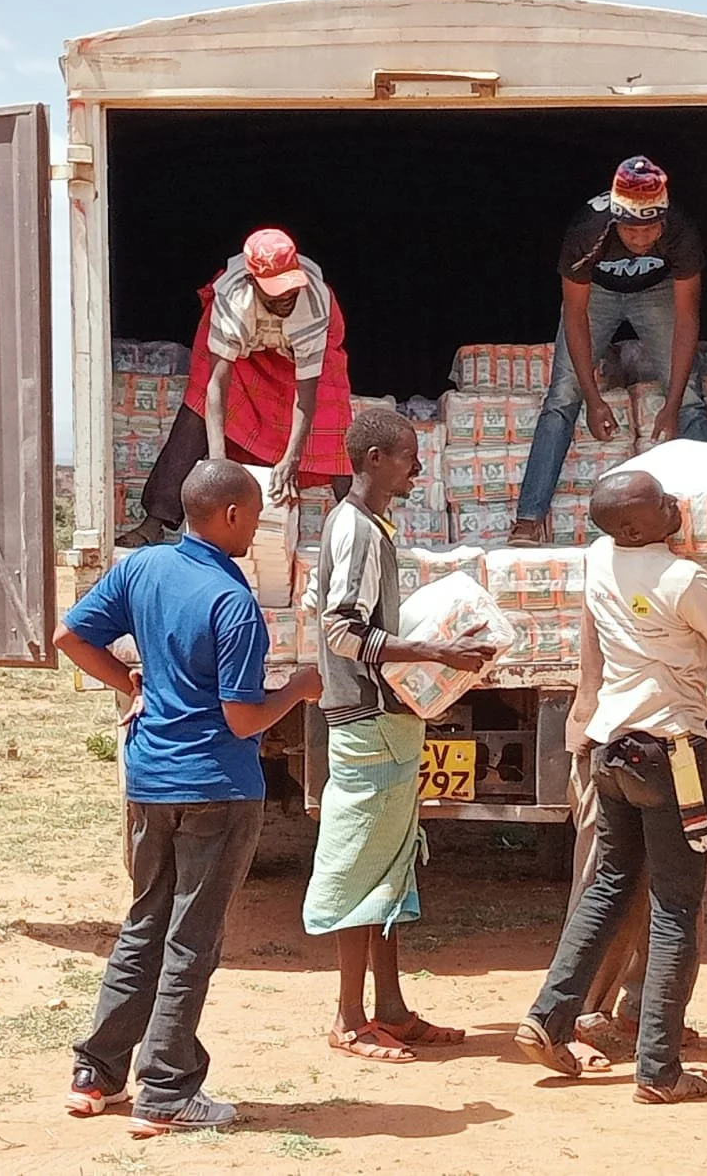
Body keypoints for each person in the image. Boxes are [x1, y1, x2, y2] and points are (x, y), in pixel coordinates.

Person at [514, 471, 707, 1098]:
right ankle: (659, 1068)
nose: (676, 504)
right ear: (634, 527)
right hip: (672, 755)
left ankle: (549, 1015)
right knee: (675, 905)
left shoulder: (604, 559)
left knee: (608, 887)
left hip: (613, 749)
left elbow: (697, 615)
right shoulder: (679, 577)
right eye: (661, 503)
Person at [56, 459, 323, 1137]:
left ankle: (96, 1073)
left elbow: (69, 636)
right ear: (230, 515)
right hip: (218, 787)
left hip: (150, 779)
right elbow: (243, 719)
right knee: (192, 939)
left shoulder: (143, 568)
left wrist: (130, 683)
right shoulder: (232, 602)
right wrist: (297, 690)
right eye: (255, 515)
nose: (256, 528)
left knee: (145, 923)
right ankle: (167, 1089)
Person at [301, 410, 497, 1062]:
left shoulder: (366, 525)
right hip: (367, 720)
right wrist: (434, 654)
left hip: (385, 718)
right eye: (409, 456)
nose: (418, 467)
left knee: (390, 864)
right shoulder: (357, 528)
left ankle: (390, 1009)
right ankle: (348, 1019)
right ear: (376, 459)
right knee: (362, 866)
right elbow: (340, 631)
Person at [510, 156, 707, 547]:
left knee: (691, 397)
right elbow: (576, 314)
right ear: (616, 219)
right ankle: (529, 518)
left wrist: (671, 404)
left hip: (655, 291)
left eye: (650, 229)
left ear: (663, 218)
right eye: (631, 230)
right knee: (562, 395)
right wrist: (592, 398)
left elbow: (687, 317)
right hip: (598, 293)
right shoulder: (588, 229)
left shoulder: (680, 230)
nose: (640, 239)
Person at [117, 228, 354, 546]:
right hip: (243, 354)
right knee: (198, 408)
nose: (287, 296)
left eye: (290, 287)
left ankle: (357, 528)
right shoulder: (232, 301)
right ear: (253, 282)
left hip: (297, 355)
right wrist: (219, 466)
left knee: (334, 424)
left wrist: (291, 459)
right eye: (276, 291)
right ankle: (154, 520)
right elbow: (216, 385)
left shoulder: (313, 303)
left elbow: (306, 394)